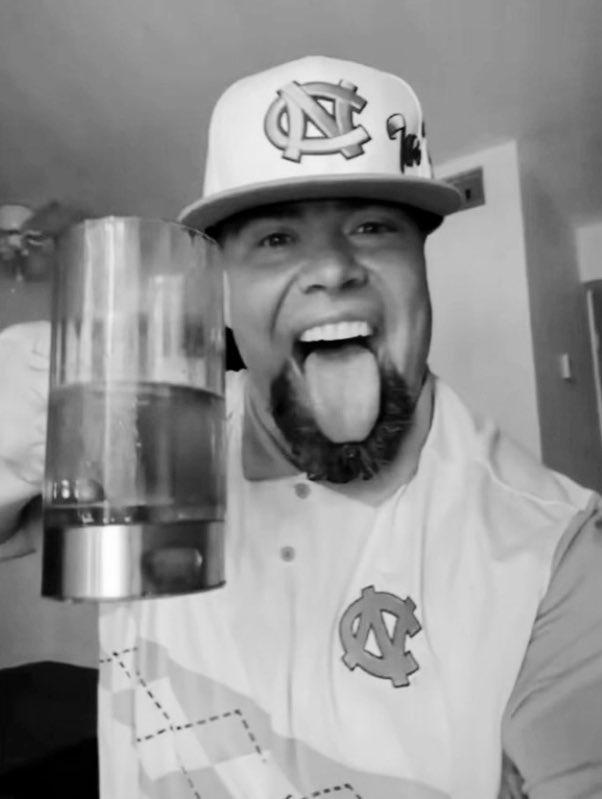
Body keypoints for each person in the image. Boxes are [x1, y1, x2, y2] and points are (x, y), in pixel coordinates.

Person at [1, 55, 601, 799]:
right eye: (276, 238)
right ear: (221, 290)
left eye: (373, 226)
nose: (333, 269)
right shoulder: (144, 434)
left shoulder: (552, 554)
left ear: (422, 264)